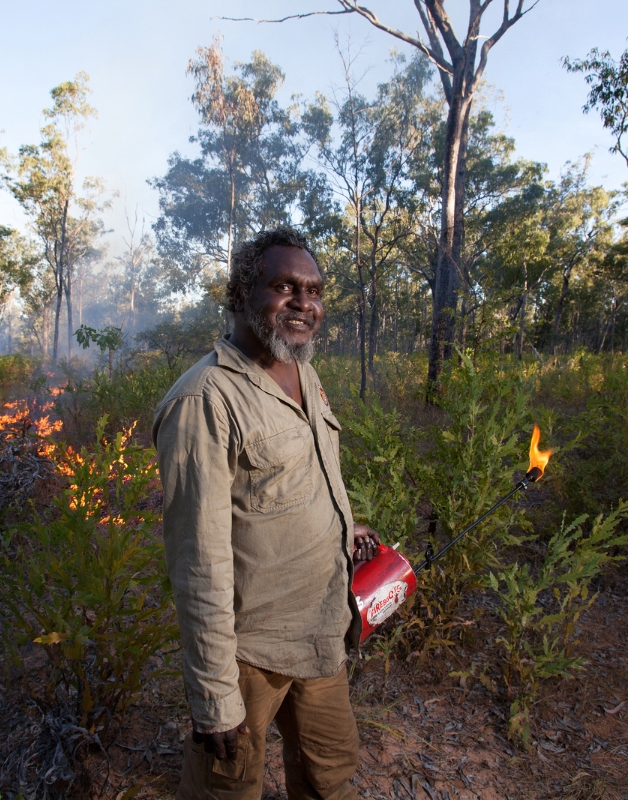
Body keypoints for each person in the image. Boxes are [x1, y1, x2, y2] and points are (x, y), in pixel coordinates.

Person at [152, 226, 380, 800]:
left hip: (321, 632)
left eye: (314, 290)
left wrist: (344, 528)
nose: (305, 303)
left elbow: (300, 474)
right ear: (241, 295)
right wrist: (215, 696)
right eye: (285, 286)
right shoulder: (204, 399)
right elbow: (196, 561)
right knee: (228, 791)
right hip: (249, 652)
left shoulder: (302, 370)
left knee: (331, 777)